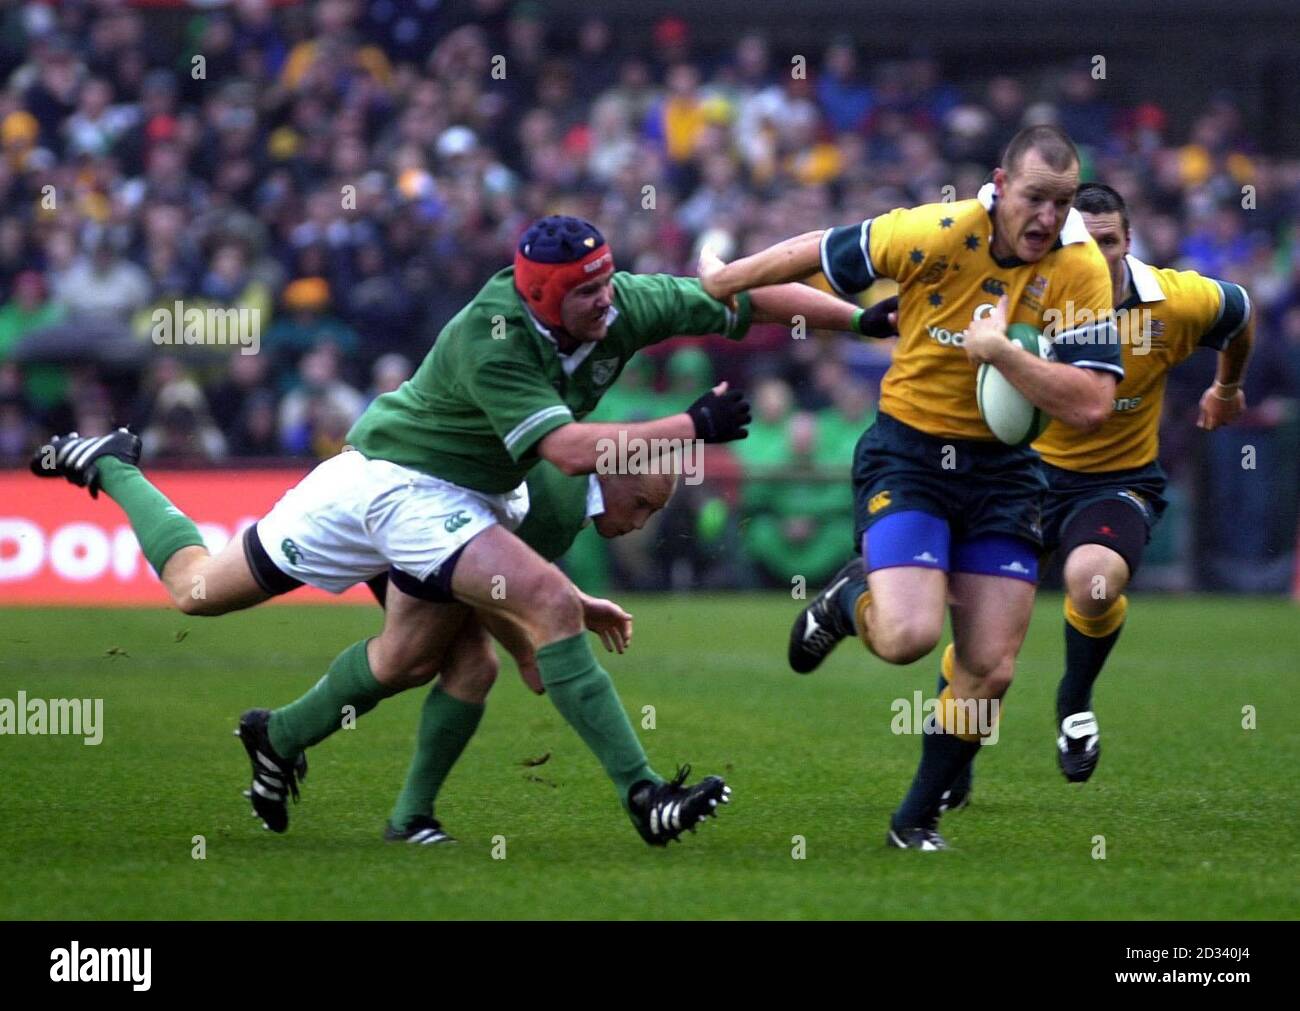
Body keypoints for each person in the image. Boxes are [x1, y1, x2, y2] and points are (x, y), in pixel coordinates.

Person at [32, 214, 870, 847]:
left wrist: (867, 323)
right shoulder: (494, 334)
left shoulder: (618, 306)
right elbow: (571, 448)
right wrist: (687, 427)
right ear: (540, 296)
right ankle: (113, 464)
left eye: (607, 280)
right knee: (197, 591)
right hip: (386, 486)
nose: (605, 299)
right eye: (585, 290)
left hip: (461, 502)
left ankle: (306, 753)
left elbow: (742, 295)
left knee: (443, 661)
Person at [700, 126, 1123, 850]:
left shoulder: (1080, 267)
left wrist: (1000, 355)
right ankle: (846, 599)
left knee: (989, 668)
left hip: (1006, 474)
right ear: (999, 185)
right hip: (912, 456)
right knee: (908, 637)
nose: (1048, 218)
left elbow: (1088, 404)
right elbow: (821, 248)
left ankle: (914, 820)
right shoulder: (934, 230)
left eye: (1061, 202)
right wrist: (728, 278)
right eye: (1034, 199)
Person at [940, 182, 1253, 806]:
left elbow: (1240, 312)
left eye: (1108, 241)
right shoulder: (1028, 298)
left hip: (1117, 483)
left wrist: (1226, 387)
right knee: (985, 640)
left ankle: (1074, 700)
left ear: (1128, 241)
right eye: (1081, 242)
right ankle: (954, 762)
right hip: (1022, 481)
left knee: (1095, 580)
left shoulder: (1175, 301)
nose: (1097, 255)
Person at [373, 462, 677, 844]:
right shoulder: (555, 502)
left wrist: (574, 602)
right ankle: (642, 791)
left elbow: (499, 574)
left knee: (466, 667)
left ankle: (407, 816)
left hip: (415, 505)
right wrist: (526, 653)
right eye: (640, 505)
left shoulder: (565, 496)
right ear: (611, 477)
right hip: (399, 499)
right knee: (403, 661)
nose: (640, 523)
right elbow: (495, 580)